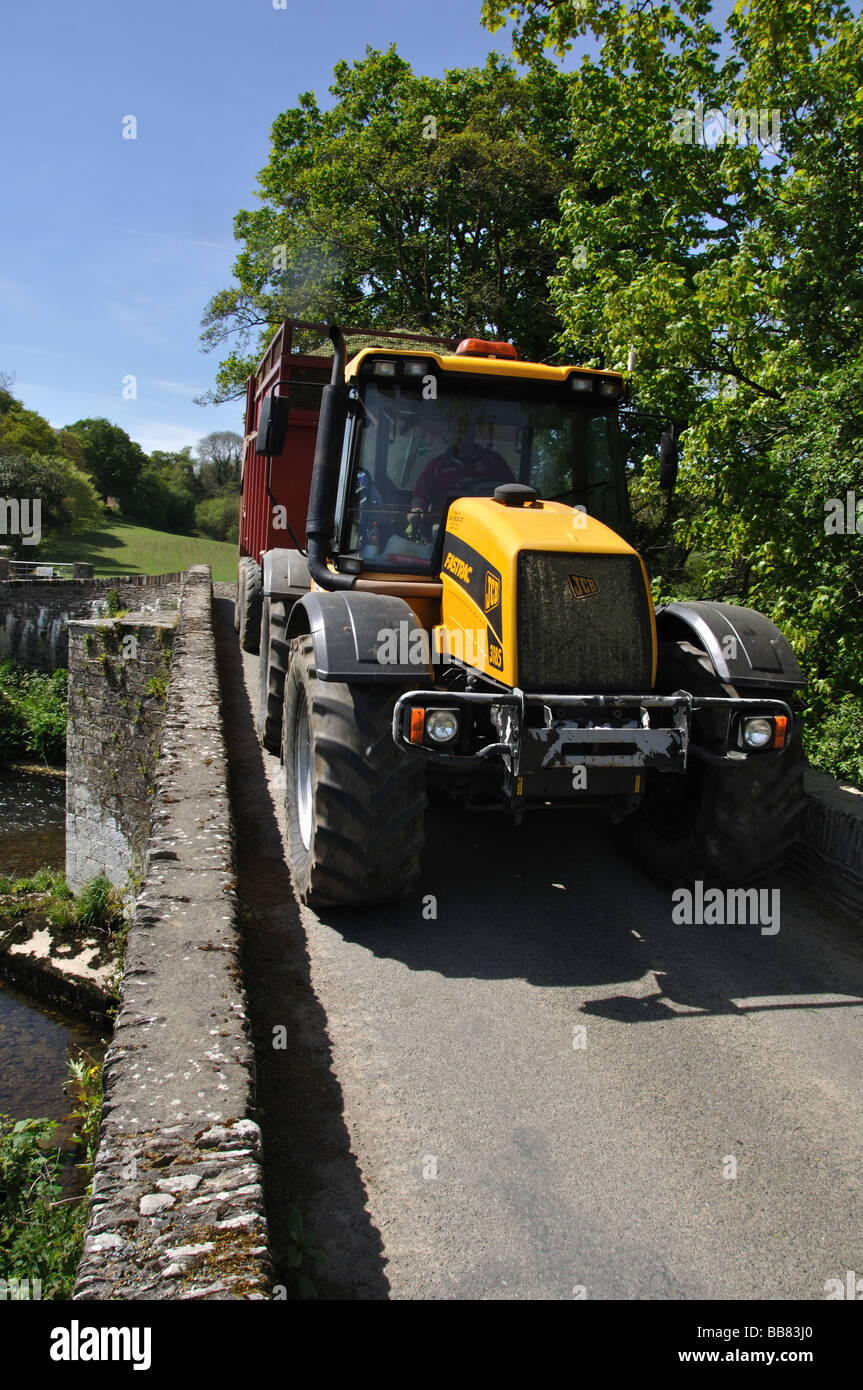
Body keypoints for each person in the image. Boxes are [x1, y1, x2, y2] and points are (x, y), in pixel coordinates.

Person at [409, 423, 514, 521]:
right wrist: (417, 510)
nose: (459, 435)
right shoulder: (437, 465)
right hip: (442, 528)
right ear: (449, 433)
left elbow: (514, 494)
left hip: (487, 525)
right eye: (455, 430)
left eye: (464, 430)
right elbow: (421, 495)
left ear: (472, 432)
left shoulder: (493, 461)